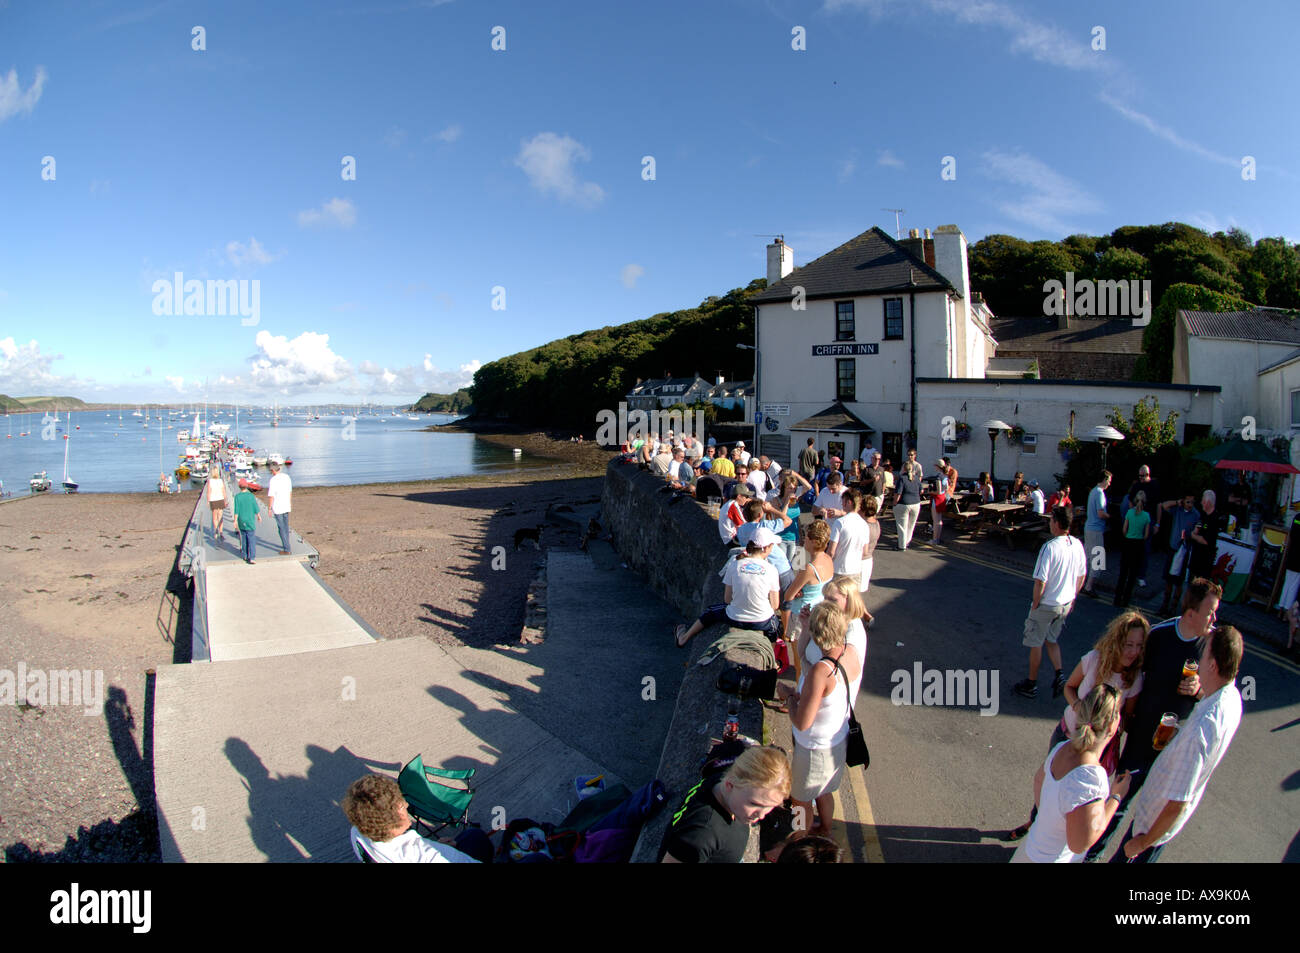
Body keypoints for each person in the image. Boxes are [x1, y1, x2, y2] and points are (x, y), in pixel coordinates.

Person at [1085, 578, 1221, 861]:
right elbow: (1129, 675)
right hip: (1141, 736)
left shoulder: (1211, 645)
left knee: (1152, 814)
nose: (1214, 619)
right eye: (1210, 612)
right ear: (1191, 613)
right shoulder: (1158, 636)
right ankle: (1091, 853)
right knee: (1119, 798)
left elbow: (1218, 692)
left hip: (1175, 747)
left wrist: (1199, 690)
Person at [1008, 611, 1149, 841]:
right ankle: (1035, 822)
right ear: (1116, 642)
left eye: (1139, 646)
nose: (1133, 652)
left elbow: (1127, 718)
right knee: (1048, 784)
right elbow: (1069, 687)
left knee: (1077, 800)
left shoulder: (1134, 679)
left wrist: (1113, 723)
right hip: (1067, 735)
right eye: (1128, 644)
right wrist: (1078, 707)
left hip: (1096, 752)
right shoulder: (1093, 659)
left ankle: (1055, 837)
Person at [1113, 625, 1243, 863]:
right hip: (1155, 823)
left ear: (1213, 665)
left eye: (1202, 656)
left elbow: (1177, 803)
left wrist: (1140, 843)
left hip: (1151, 827)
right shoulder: (1231, 696)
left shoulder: (1202, 729)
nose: (1198, 661)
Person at [1009, 685, 1133, 863]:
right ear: (1112, 726)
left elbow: (1039, 781)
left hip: (1029, 850)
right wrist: (1116, 797)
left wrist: (1052, 820)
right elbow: (1079, 844)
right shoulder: (1091, 780)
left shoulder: (1061, 748)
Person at [777, 601, 862, 842]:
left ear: (818, 635)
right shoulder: (851, 653)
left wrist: (789, 697)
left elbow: (802, 722)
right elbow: (806, 661)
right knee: (824, 792)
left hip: (814, 749)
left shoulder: (821, 672)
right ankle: (825, 829)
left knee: (799, 799)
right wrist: (805, 626)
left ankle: (797, 840)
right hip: (836, 742)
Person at [660, 745, 791, 863]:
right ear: (730, 785)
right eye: (755, 804)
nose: (762, 815)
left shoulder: (724, 777)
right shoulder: (701, 835)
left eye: (770, 806)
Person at [1013, 506, 1088, 699]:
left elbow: (1040, 581)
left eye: (1051, 519)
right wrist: (1073, 596)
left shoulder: (1049, 547)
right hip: (1065, 603)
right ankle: (1059, 675)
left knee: (1036, 642)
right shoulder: (1077, 545)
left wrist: (1035, 603)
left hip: (1047, 603)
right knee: (1052, 640)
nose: (1049, 523)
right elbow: (1082, 575)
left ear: (1056, 523)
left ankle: (1031, 684)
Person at [342, 774, 494, 863]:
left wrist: (433, 844)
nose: (406, 804)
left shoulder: (358, 832)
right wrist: (440, 850)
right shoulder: (429, 855)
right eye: (401, 805)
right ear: (391, 819)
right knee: (476, 838)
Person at [674, 528, 781, 647]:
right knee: (776, 626)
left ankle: (684, 637)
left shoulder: (735, 564)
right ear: (766, 548)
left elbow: (727, 599)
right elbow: (775, 605)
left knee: (711, 611)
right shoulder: (771, 569)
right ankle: (774, 661)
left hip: (735, 618)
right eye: (772, 546)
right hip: (761, 622)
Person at [783, 519, 834, 680]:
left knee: (800, 661)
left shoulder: (809, 568)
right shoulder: (828, 559)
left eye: (806, 538)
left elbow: (788, 595)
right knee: (813, 655)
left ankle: (798, 693)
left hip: (801, 615)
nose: (803, 540)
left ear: (813, 542)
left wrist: (797, 590)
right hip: (819, 611)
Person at [1157, 494, 1202, 615]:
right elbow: (1163, 505)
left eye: (1192, 502)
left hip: (1184, 551)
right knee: (1168, 579)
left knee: (1178, 581)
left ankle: (1173, 607)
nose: (1190, 505)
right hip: (1173, 548)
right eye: (1187, 502)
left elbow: (1200, 527)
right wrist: (1177, 502)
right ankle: (1164, 605)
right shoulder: (1178, 510)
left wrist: (1193, 534)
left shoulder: (1196, 515)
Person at [828, 487, 871, 590]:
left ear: (849, 502)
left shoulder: (839, 523)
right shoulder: (864, 524)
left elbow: (831, 552)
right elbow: (865, 551)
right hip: (856, 570)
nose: (841, 503)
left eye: (843, 501)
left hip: (839, 570)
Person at [1125, 465, 1162, 588]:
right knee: (1133, 548)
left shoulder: (1154, 486)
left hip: (1148, 520)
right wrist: (1132, 515)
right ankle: (1132, 574)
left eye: (1143, 476)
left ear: (1148, 474)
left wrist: (1157, 523)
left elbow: (1159, 505)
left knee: (1145, 549)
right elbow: (1130, 499)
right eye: (1139, 476)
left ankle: (1141, 576)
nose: (1141, 478)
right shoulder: (1137, 486)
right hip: (1137, 520)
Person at [1113, 491, 1151, 608]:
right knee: (1132, 574)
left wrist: (1128, 534)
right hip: (1138, 544)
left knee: (1123, 573)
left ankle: (1117, 599)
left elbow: (1124, 529)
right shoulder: (1146, 516)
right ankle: (1126, 600)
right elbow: (1146, 534)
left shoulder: (1129, 513)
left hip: (1128, 542)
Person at [1081, 471, 1112, 597]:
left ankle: (1083, 583)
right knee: (1098, 559)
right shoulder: (1100, 493)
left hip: (1089, 528)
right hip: (1096, 529)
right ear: (1104, 479)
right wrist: (1110, 516)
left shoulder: (1093, 491)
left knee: (1088, 557)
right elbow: (1100, 513)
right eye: (1109, 480)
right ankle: (1089, 587)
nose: (1109, 483)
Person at [893, 448, 924, 551]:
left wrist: (894, 503)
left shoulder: (916, 468)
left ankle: (902, 545)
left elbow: (898, 492)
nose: (910, 456)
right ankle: (906, 542)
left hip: (905, 503)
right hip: (916, 503)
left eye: (911, 455)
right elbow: (921, 489)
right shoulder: (914, 478)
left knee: (902, 525)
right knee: (911, 525)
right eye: (909, 455)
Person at [232, 479, 262, 564]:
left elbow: (236, 510)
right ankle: (252, 557)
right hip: (250, 520)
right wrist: (259, 516)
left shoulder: (237, 497)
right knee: (251, 538)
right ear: (247, 486)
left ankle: (245, 555)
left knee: (244, 538)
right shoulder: (251, 496)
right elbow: (255, 507)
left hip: (241, 520)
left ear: (239, 487)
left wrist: (235, 521)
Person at [267, 461, 293, 555]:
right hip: (286, 505)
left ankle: (287, 548)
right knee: (285, 526)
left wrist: (269, 508)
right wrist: (289, 503)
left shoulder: (273, 480)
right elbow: (290, 491)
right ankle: (287, 545)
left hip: (278, 506)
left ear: (273, 470)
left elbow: (271, 496)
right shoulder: (286, 477)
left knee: (281, 527)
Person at [930, 459, 950, 543]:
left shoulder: (938, 477)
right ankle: (938, 538)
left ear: (937, 466)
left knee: (935, 520)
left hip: (937, 498)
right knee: (939, 519)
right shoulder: (945, 476)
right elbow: (947, 488)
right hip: (943, 497)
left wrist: (930, 491)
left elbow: (938, 491)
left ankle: (935, 539)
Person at [205, 466, 228, 539]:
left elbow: (209, 492)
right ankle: (221, 532)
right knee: (220, 516)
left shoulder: (210, 481)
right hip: (220, 499)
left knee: (214, 517)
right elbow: (224, 491)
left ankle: (216, 531)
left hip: (213, 500)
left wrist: (208, 501)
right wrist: (225, 500)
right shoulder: (220, 481)